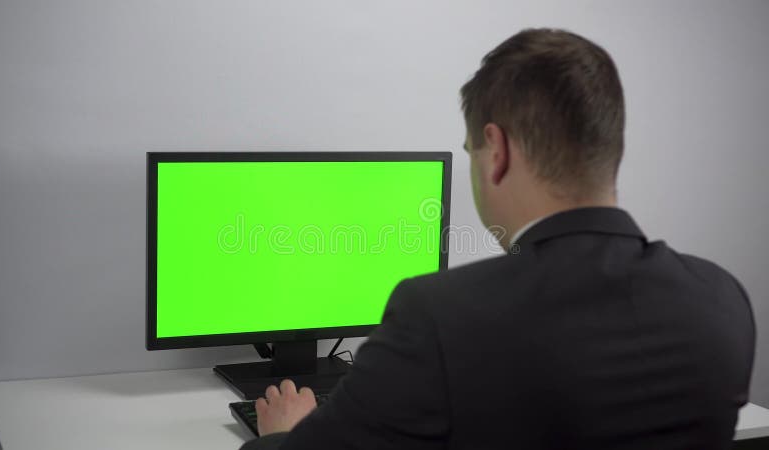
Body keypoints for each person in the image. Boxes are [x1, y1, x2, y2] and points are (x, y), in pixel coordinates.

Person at [241, 28, 755, 450]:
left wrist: (287, 433)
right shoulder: (721, 299)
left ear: (497, 150)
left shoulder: (438, 314)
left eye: (469, 151)